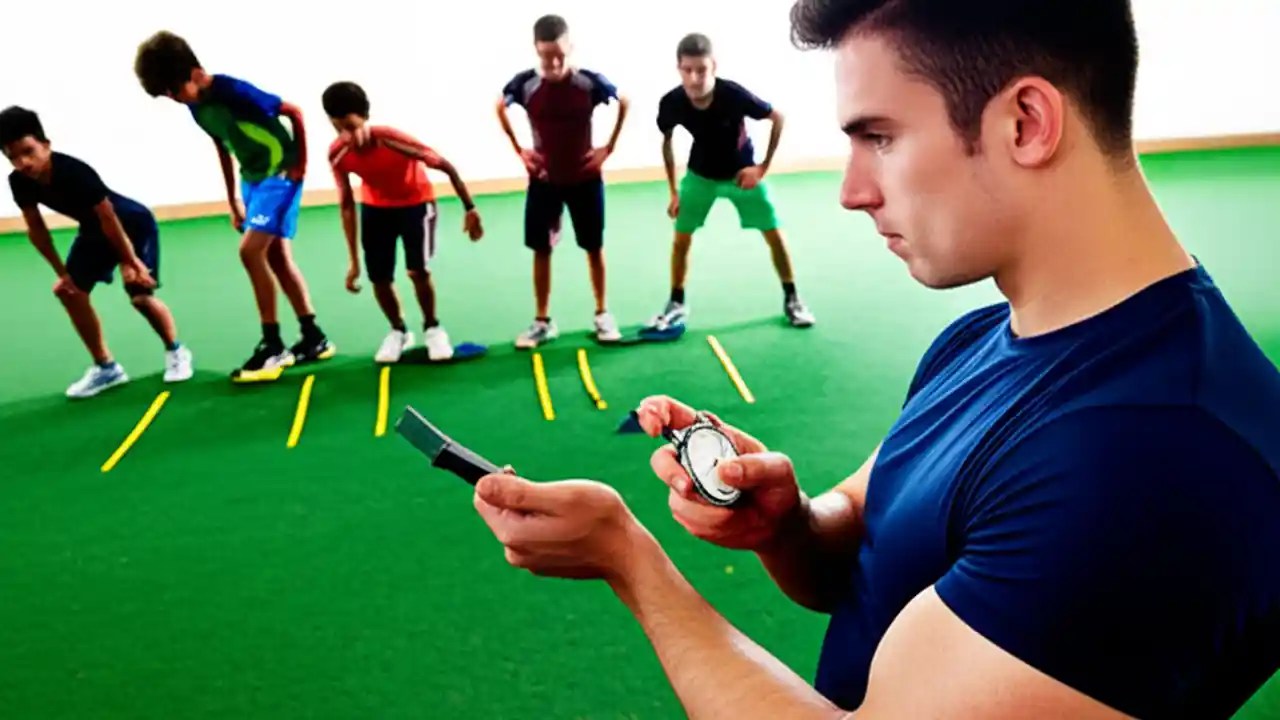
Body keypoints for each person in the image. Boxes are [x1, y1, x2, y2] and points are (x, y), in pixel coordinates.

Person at [468, 1, 1280, 718]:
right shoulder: (982, 339)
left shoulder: (1158, 456)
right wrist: (786, 522)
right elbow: (856, 555)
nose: (852, 190)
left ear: (1026, 122)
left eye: (880, 138)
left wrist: (629, 561)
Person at [133, 31, 334, 383]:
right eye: (167, 95)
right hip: (253, 179)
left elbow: (294, 112)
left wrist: (301, 164)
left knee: (250, 252)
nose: (175, 99)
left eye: (175, 90)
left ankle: (273, 345)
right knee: (275, 257)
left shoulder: (234, 91)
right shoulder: (196, 107)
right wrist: (233, 199)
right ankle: (313, 337)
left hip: (279, 176)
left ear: (195, 74)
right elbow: (222, 145)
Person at [1, 106, 194, 398]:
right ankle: (106, 368)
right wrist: (63, 274)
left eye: (28, 151)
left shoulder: (74, 172)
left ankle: (176, 351)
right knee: (69, 292)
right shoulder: (19, 182)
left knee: (140, 294)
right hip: (94, 230)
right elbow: (37, 230)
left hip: (131, 224)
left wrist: (130, 262)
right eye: (12, 157)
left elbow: (110, 218)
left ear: (46, 144)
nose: (23, 162)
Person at [645, 32, 815, 336]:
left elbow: (778, 117)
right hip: (700, 177)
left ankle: (793, 298)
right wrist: (673, 191)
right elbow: (667, 142)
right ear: (679, 69)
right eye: (688, 71)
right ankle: (676, 302)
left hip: (742, 176)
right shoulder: (671, 102)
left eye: (702, 70)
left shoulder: (733, 95)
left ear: (714, 67)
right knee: (681, 239)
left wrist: (761, 168)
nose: (695, 78)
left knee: (773, 234)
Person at [322, 81, 484, 363]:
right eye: (339, 128)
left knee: (417, 271)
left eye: (351, 127)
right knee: (379, 278)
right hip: (375, 209)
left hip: (416, 205)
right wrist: (353, 261)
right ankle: (399, 331)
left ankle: (433, 327)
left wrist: (470, 208)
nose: (347, 136)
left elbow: (445, 166)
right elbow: (347, 205)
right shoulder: (338, 153)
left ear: (366, 117)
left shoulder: (393, 139)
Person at [496, 14, 629, 349]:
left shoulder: (588, 83)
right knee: (541, 249)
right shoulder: (526, 84)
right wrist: (519, 150)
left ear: (570, 47)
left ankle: (602, 314)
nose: (554, 62)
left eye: (560, 54)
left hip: (585, 178)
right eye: (546, 56)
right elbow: (499, 106)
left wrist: (607, 148)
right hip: (544, 180)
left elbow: (624, 101)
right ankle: (542, 321)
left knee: (593, 247)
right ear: (536, 50)